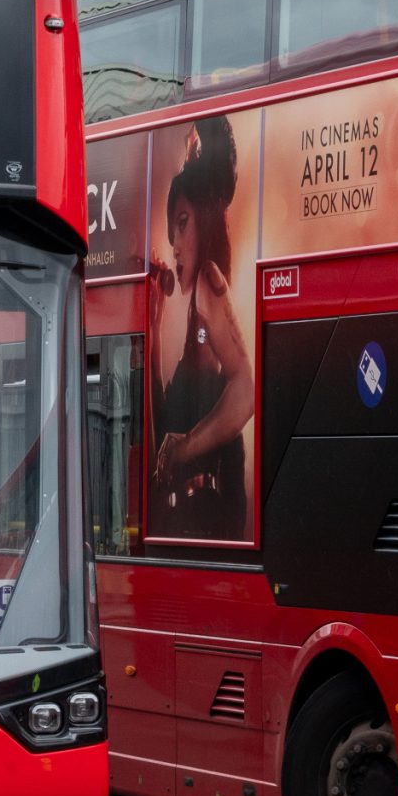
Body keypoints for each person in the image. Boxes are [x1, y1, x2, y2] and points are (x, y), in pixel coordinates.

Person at [150, 117, 252, 539]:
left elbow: (246, 389)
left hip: (209, 511)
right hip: (195, 514)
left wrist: (185, 447)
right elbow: (161, 430)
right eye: (173, 225)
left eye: (184, 221)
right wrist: (152, 329)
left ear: (205, 220)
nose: (174, 243)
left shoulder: (209, 282)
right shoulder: (193, 307)